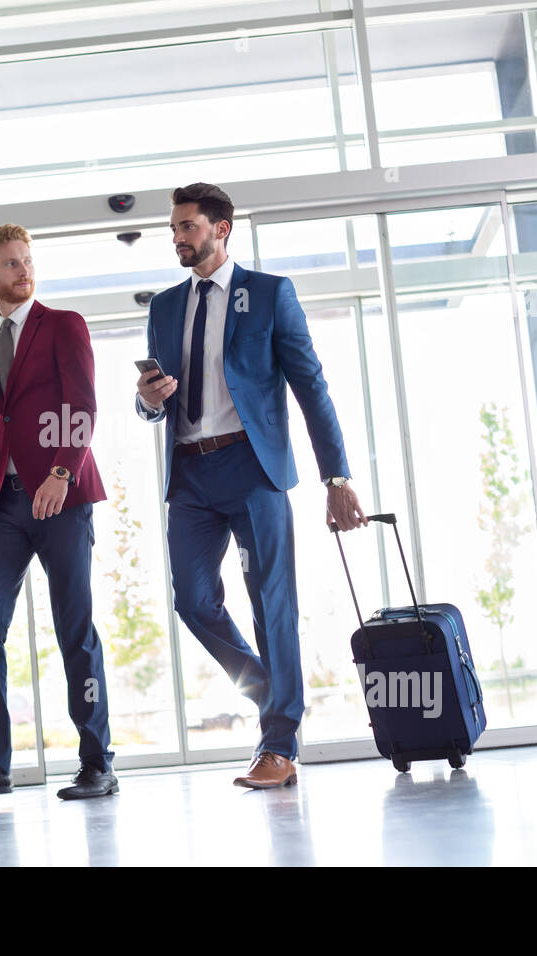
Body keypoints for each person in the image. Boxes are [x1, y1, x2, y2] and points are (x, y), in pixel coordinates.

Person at [135, 183, 368, 789]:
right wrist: (147, 402)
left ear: (221, 228)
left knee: (272, 602)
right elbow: (156, 404)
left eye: (188, 226)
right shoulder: (163, 307)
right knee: (193, 600)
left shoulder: (268, 295)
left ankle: (280, 743)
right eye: (175, 229)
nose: (179, 237)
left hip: (253, 469)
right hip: (188, 471)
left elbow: (311, 386)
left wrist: (335, 475)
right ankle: (273, 689)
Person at [0, 223, 116, 800]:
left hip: (63, 498)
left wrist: (62, 472)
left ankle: (97, 762)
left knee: (74, 626)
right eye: (10, 264)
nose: (23, 271)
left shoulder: (63, 326)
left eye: (26, 260)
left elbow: (83, 403)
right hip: (5, 508)